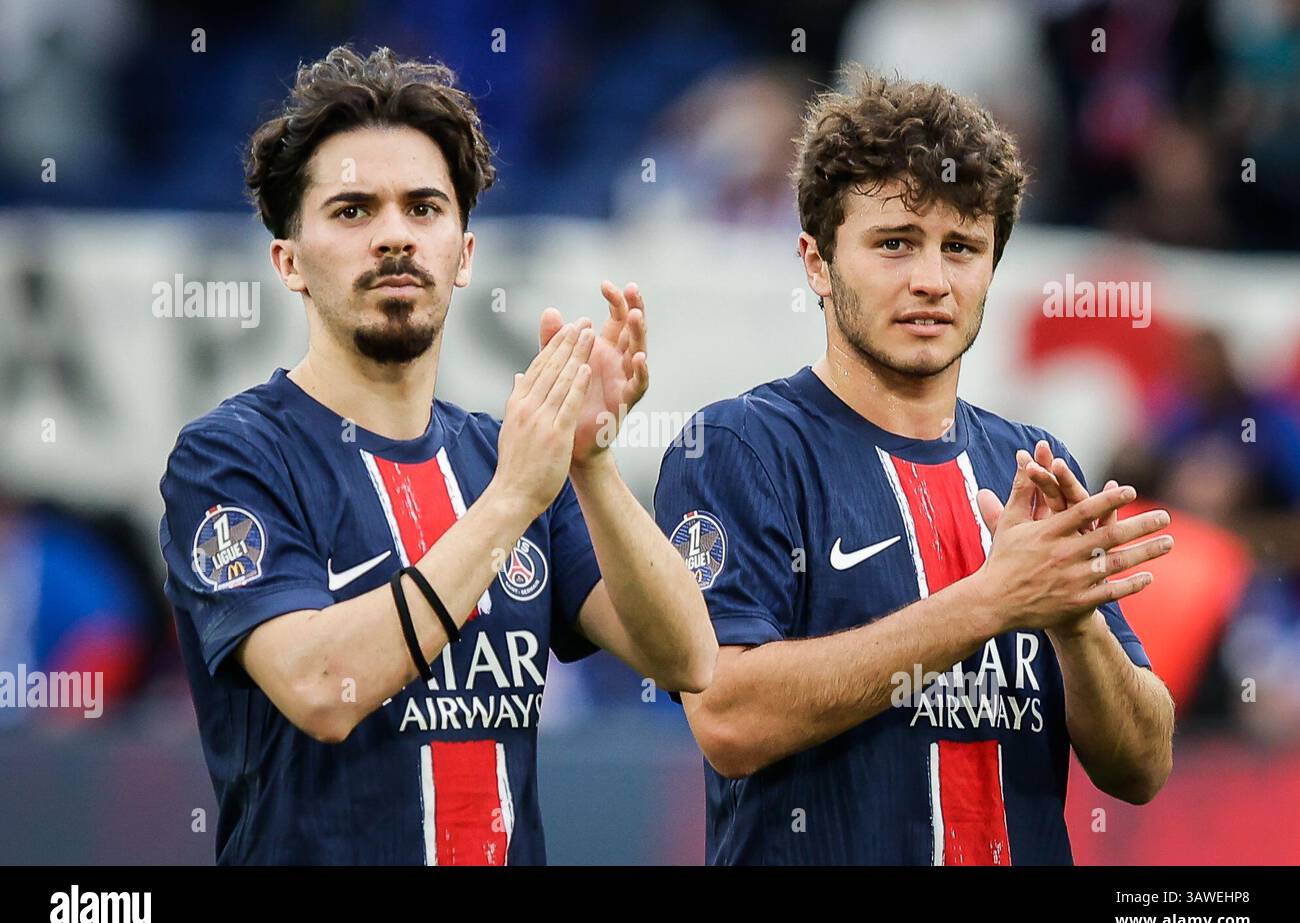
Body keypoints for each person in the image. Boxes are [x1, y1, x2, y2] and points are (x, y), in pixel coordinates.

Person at [157, 46, 714, 865]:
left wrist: (588, 460)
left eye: (423, 209)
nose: (394, 237)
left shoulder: (510, 455)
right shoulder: (229, 458)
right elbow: (320, 688)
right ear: (289, 262)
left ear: (465, 253)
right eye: (352, 211)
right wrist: (511, 501)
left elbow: (686, 655)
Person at [654, 69, 1175, 865]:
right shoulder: (739, 447)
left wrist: (1074, 624)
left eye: (961, 247)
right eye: (895, 243)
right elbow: (730, 719)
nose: (932, 279)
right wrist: (990, 602)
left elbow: (1142, 767)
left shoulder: (1033, 463)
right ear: (817, 264)